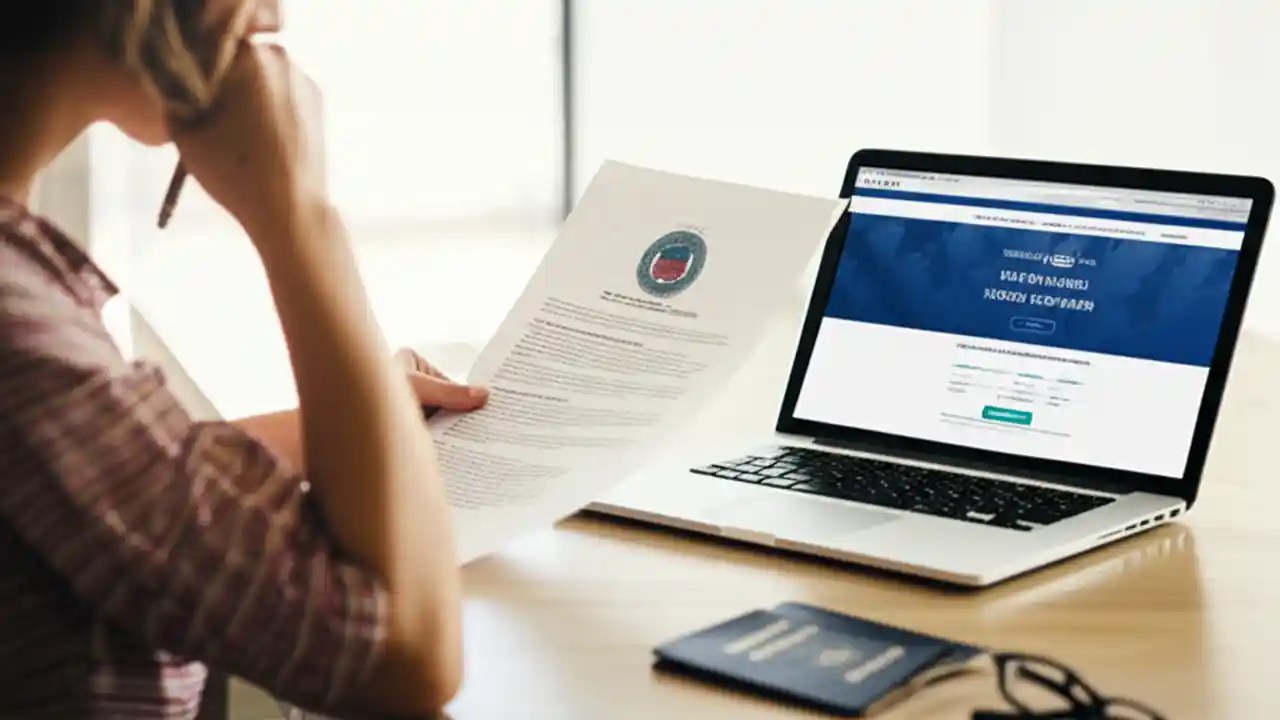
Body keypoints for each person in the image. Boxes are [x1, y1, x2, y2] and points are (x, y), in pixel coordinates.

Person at [0, 1, 487, 717]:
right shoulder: (20, 328)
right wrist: (296, 212)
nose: (274, 15)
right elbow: (408, 662)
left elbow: (72, 477)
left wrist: (351, 419)